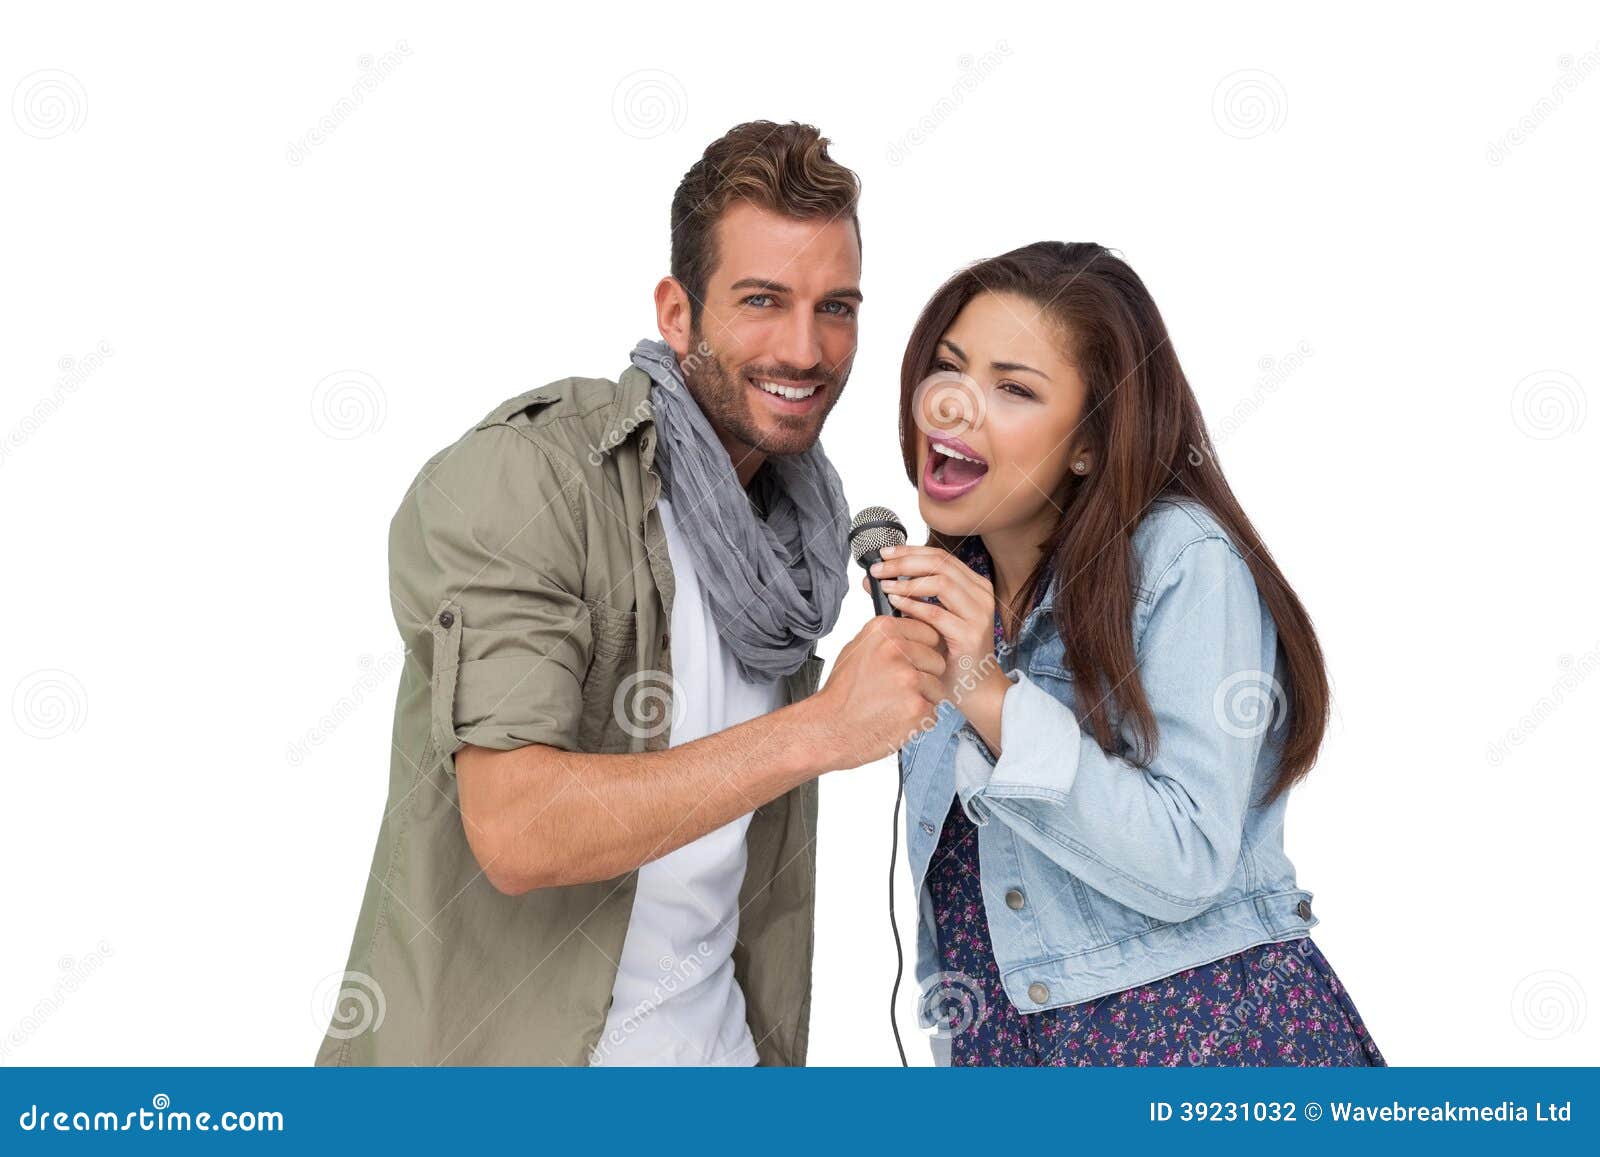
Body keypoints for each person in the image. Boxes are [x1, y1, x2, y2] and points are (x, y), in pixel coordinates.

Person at [316, 121, 946, 1067]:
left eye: (837, 307)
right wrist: (821, 729)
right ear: (678, 314)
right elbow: (517, 828)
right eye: (763, 300)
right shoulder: (532, 480)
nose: (806, 348)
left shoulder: (794, 538)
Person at [878, 241, 1387, 1066]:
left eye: (1013, 388)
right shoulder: (949, 598)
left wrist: (989, 694)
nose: (952, 407)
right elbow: (968, 916)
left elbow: (1189, 857)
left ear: (1088, 441)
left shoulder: (1183, 559)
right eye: (949, 368)